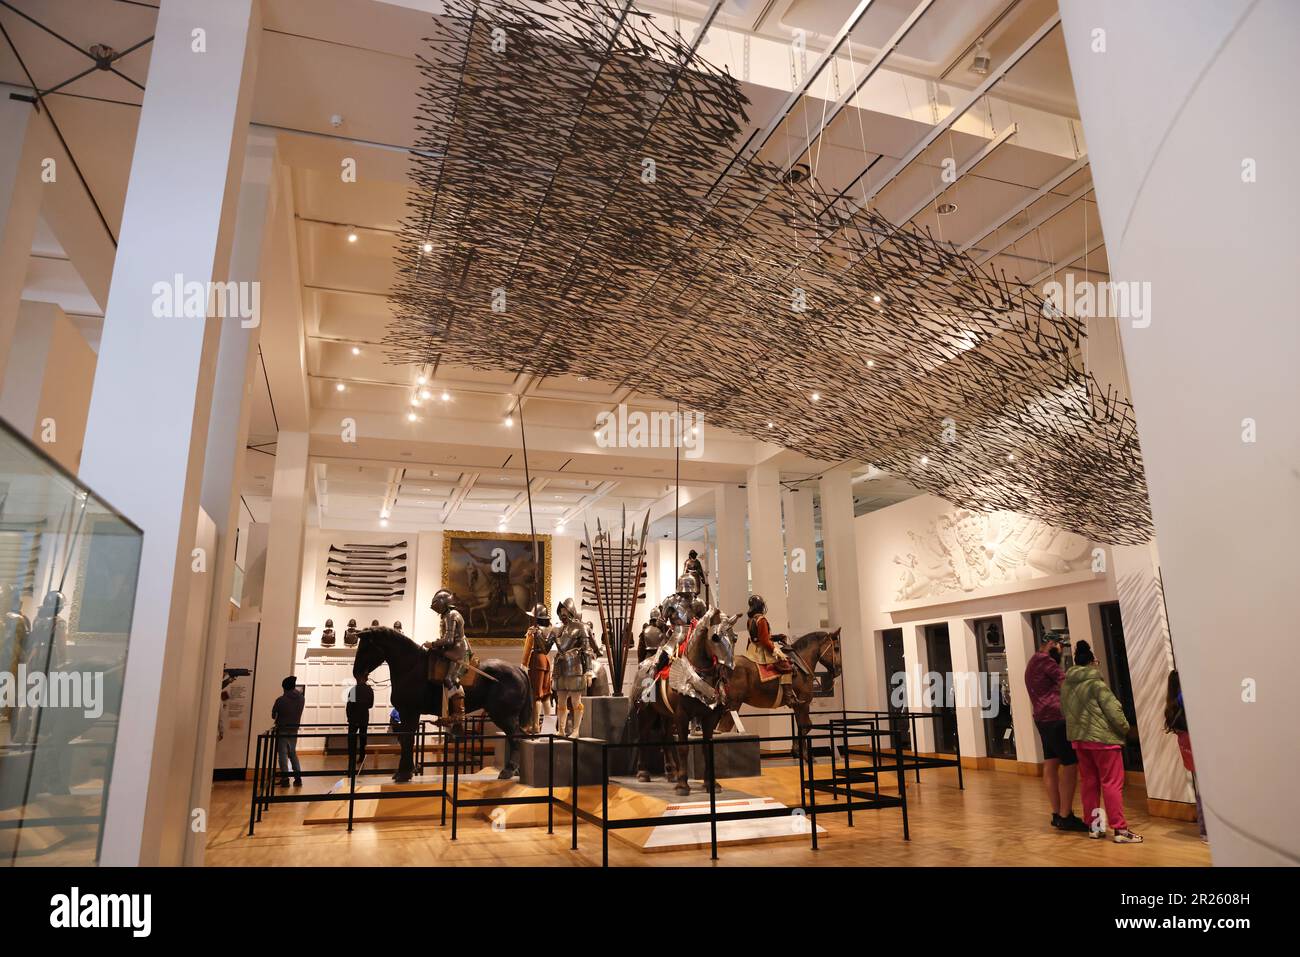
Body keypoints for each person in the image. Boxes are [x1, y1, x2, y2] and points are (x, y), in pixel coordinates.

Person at [1061, 641, 1142, 843]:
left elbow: (1065, 711)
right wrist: (1126, 728)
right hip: (1104, 741)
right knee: (1112, 783)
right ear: (1091, 662)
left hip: (1080, 740)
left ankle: (1095, 827)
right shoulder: (1097, 685)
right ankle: (1120, 830)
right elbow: (1114, 710)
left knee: (1090, 783)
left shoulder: (1067, 685)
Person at [1023, 632, 1087, 831]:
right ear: (1051, 643)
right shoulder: (1047, 662)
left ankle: (1057, 813)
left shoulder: (1032, 662)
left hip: (1041, 719)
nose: (1061, 650)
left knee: (1050, 763)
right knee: (1070, 764)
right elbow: (1066, 683)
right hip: (1056, 719)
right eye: (1060, 646)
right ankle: (1066, 814)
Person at [1165, 670, 1207, 842]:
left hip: (1188, 752)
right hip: (1200, 751)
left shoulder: (1172, 705)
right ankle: (1209, 830)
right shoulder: (1186, 700)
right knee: (1207, 792)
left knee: (1201, 791)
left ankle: (1204, 830)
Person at [271, 675, 305, 787]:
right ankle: (298, 778)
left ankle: (285, 778)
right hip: (294, 729)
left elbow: (273, 715)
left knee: (282, 755)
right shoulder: (301, 699)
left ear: (284, 688)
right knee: (293, 754)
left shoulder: (280, 700)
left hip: (282, 730)